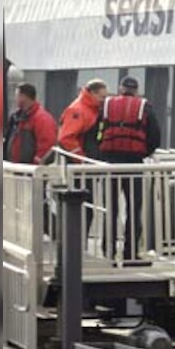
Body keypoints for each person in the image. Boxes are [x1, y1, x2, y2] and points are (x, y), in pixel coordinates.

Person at [98, 76, 162, 263]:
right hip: (134, 164)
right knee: (134, 209)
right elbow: (155, 137)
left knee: (111, 208)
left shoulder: (107, 105)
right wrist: (143, 152)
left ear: (120, 89)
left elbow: (98, 132)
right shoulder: (145, 107)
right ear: (136, 90)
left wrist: (103, 153)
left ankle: (108, 251)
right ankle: (130, 253)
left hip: (110, 163)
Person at [3, 83, 57, 164]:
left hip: (28, 171)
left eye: (17, 95)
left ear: (24, 97)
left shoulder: (41, 118)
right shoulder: (16, 117)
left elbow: (47, 144)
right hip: (14, 168)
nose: (15, 99)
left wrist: (36, 165)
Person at [59, 78, 109, 159]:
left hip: (89, 159)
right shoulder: (77, 110)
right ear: (93, 93)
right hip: (79, 163)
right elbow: (66, 138)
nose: (104, 101)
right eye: (102, 97)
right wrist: (80, 158)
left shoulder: (94, 109)